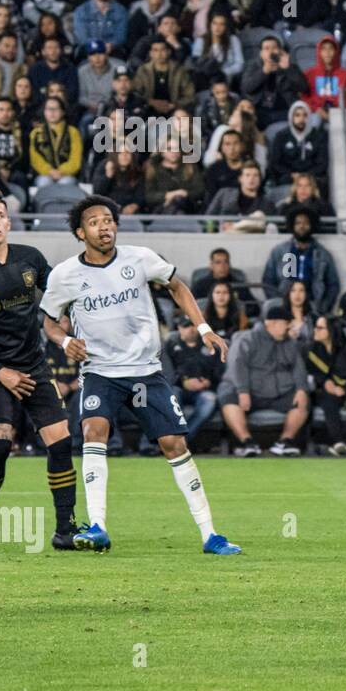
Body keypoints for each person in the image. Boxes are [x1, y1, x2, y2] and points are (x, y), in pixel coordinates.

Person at [39, 194, 239, 555]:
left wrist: (205, 327)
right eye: (95, 221)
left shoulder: (141, 257)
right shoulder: (65, 275)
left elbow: (177, 285)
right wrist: (65, 340)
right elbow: (49, 322)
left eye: (109, 220)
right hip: (100, 372)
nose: (105, 226)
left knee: (174, 445)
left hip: (146, 373)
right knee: (92, 430)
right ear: (79, 232)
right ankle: (98, 525)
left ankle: (211, 535)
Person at [0, 188, 81, 551]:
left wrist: (67, 315)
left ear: (9, 220)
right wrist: (1, 372)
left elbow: (57, 293)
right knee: (1, 443)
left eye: (0, 216)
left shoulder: (30, 258)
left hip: (33, 365)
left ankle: (65, 530)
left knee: (62, 442)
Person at [217, 304, 311, 458]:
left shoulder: (290, 343)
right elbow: (237, 366)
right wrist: (243, 391)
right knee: (227, 395)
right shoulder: (247, 338)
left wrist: (301, 389)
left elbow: (298, 368)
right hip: (250, 391)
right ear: (271, 323)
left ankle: (284, 442)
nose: (289, 327)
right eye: (286, 323)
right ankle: (246, 442)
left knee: (303, 399)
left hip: (280, 392)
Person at [307, 314, 346, 456]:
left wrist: (344, 388)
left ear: (330, 330)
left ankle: (342, 442)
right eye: (315, 327)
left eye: (320, 328)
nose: (315, 331)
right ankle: (341, 442)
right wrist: (324, 382)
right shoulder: (313, 349)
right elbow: (313, 372)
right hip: (329, 391)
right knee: (327, 402)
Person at [262, 205, 340, 315]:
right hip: (285, 308)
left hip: (314, 308)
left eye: (306, 223)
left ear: (312, 225)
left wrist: (323, 307)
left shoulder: (323, 254)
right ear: (292, 225)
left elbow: (333, 285)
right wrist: (279, 304)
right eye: (298, 223)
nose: (302, 226)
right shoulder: (280, 251)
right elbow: (268, 281)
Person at [160, 314, 224, 442]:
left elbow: (219, 371)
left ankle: (182, 440)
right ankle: (173, 438)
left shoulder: (211, 346)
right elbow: (165, 371)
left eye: (193, 325)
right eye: (186, 326)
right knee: (172, 397)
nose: (191, 329)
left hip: (203, 390)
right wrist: (183, 382)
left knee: (210, 400)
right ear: (179, 328)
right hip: (178, 388)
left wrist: (208, 382)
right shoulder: (170, 346)